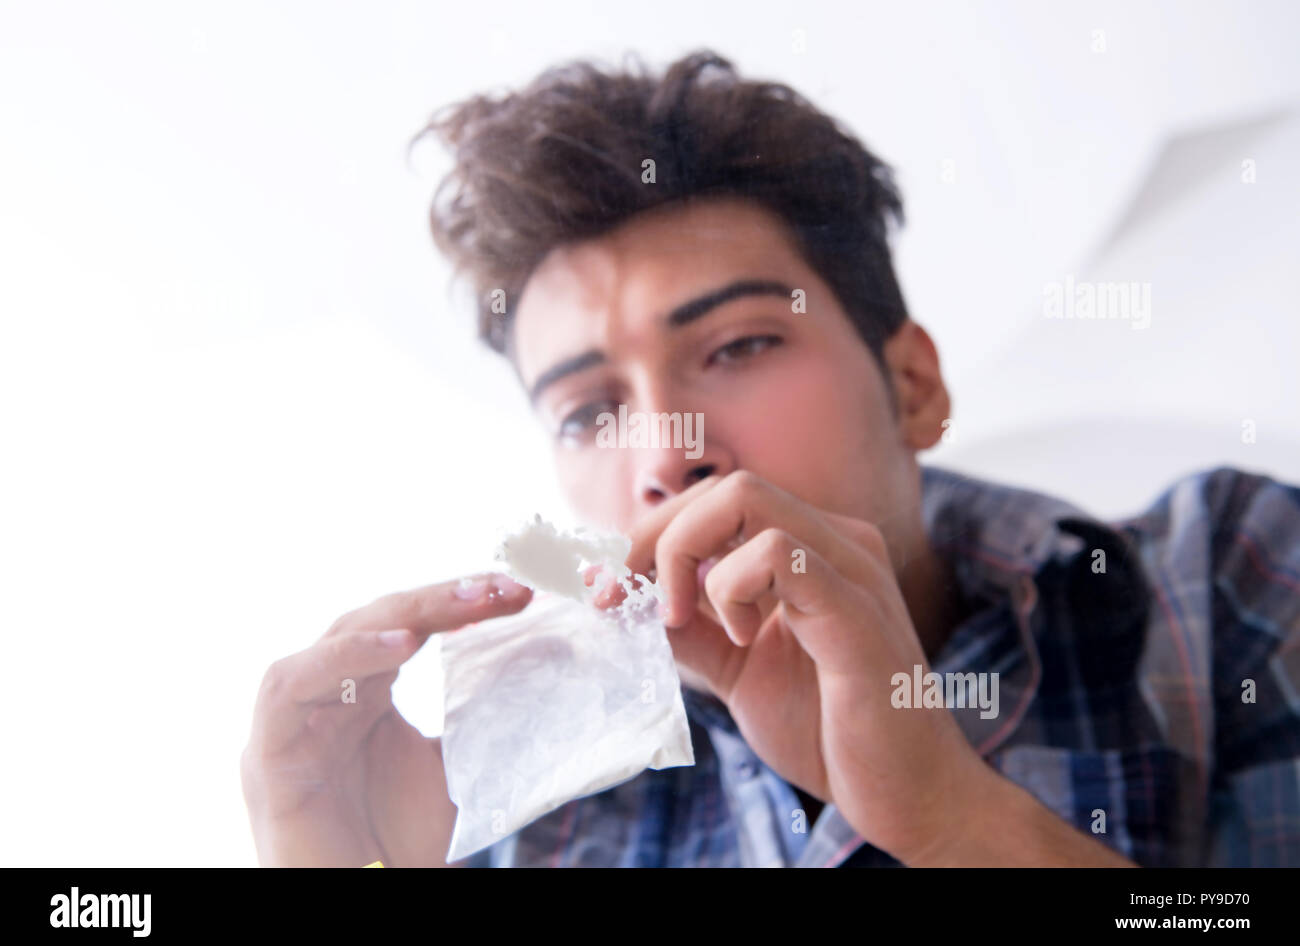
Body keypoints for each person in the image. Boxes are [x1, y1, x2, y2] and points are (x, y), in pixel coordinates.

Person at [240, 49, 1300, 867]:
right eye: (586, 410)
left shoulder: (1228, 572)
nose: (665, 454)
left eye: (739, 345)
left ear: (913, 388)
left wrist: (953, 825)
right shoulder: (526, 792)